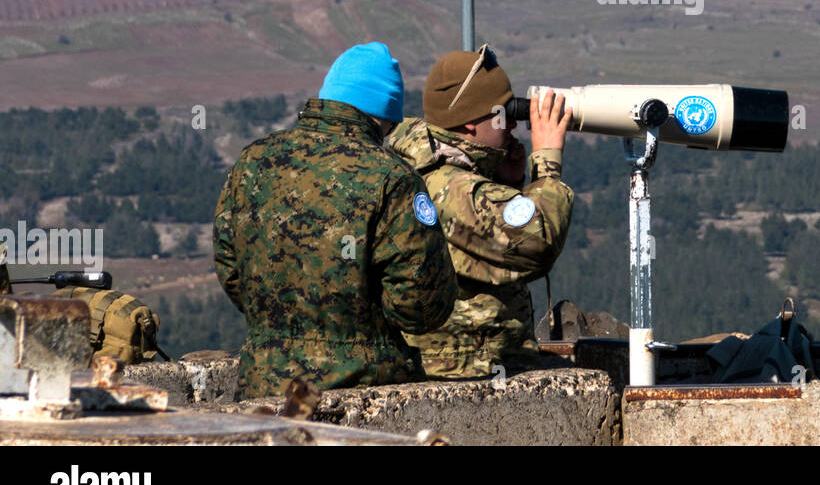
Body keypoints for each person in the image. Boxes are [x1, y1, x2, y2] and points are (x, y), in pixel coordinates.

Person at [213, 42, 456, 398]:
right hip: (364, 392)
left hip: (261, 388)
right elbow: (421, 306)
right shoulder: (392, 178)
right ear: (386, 115)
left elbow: (230, 267)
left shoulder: (254, 161)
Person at [389, 44, 574, 379]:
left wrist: (509, 184)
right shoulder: (450, 187)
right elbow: (535, 245)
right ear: (472, 122)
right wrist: (546, 166)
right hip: (466, 376)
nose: (513, 126)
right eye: (504, 113)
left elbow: (487, 240)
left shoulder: (432, 167)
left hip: (469, 368)